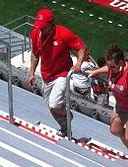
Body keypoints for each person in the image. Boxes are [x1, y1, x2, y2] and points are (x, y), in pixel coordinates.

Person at [27, 8, 88, 138]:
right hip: (46, 75)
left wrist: (78, 63)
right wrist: (31, 73)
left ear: (50, 23)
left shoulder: (63, 33)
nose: (40, 29)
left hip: (62, 73)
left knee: (54, 104)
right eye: (39, 27)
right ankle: (65, 128)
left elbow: (81, 47)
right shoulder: (35, 34)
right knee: (50, 107)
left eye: (43, 27)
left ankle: (68, 115)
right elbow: (35, 55)